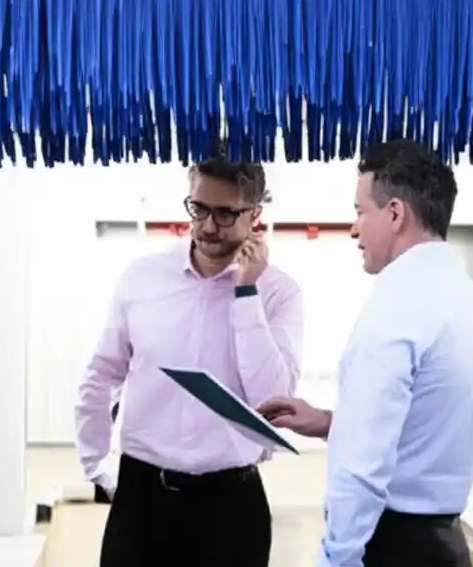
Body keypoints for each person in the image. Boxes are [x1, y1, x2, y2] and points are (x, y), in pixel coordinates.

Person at [258, 139, 473, 567]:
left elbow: (362, 465)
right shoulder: (466, 301)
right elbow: (421, 424)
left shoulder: (397, 305)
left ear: (395, 213)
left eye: (359, 212)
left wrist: (339, 557)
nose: (353, 229)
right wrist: (332, 422)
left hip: (392, 546)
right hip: (442, 544)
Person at [75, 155, 305, 567]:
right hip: (142, 499)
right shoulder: (143, 277)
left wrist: (246, 293)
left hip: (231, 507)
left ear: (255, 215)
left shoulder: (278, 294)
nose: (207, 225)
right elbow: (101, 376)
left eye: (224, 213)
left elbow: (275, 399)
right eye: (198, 208)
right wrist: (97, 466)